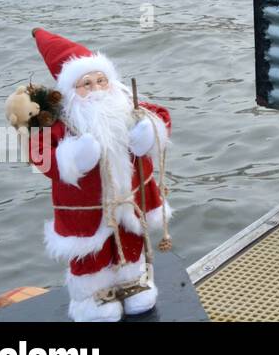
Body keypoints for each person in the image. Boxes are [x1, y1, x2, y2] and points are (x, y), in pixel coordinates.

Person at [25, 28, 171, 321]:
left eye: (101, 80)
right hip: (86, 210)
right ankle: (92, 299)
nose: (96, 89)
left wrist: (150, 131)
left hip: (129, 198)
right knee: (91, 253)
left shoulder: (127, 102)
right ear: (69, 89)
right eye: (86, 84)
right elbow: (39, 154)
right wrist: (71, 158)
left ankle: (134, 284)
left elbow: (160, 115)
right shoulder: (56, 119)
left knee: (131, 240)